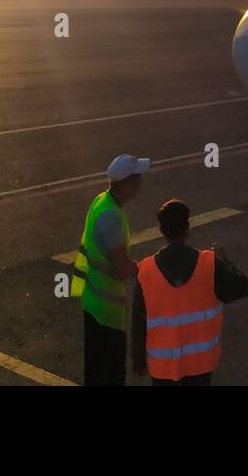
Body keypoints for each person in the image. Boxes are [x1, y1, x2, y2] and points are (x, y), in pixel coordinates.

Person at [131, 198, 248, 385]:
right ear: (187, 227)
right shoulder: (209, 264)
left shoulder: (146, 270)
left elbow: (139, 319)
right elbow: (242, 287)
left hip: (163, 367)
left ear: (161, 230)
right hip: (200, 365)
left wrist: (137, 359)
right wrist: (225, 260)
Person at [72, 153, 149, 386]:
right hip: (108, 313)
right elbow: (121, 270)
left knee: (95, 373)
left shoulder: (101, 201)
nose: (140, 183)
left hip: (92, 300)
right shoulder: (112, 217)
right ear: (125, 183)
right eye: (136, 179)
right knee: (110, 376)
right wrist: (148, 267)